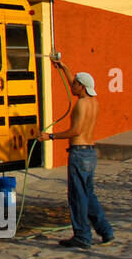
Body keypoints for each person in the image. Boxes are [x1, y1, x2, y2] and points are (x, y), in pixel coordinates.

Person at [38, 64, 115, 249]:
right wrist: (62, 66)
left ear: (81, 86)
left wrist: (50, 136)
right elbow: (73, 80)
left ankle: (82, 236)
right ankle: (105, 231)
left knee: (77, 197)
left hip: (79, 153)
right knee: (89, 195)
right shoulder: (94, 102)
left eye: (75, 84)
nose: (71, 86)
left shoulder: (81, 104)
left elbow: (76, 130)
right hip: (90, 152)